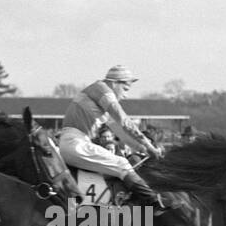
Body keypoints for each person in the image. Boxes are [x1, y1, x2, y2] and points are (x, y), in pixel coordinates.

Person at [58, 66, 166, 211]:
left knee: (117, 168)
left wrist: (143, 149)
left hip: (72, 143)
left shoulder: (97, 100)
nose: (126, 95)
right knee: (122, 163)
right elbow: (125, 122)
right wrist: (151, 147)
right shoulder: (102, 89)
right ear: (115, 83)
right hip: (76, 144)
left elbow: (120, 131)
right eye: (126, 89)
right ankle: (153, 202)